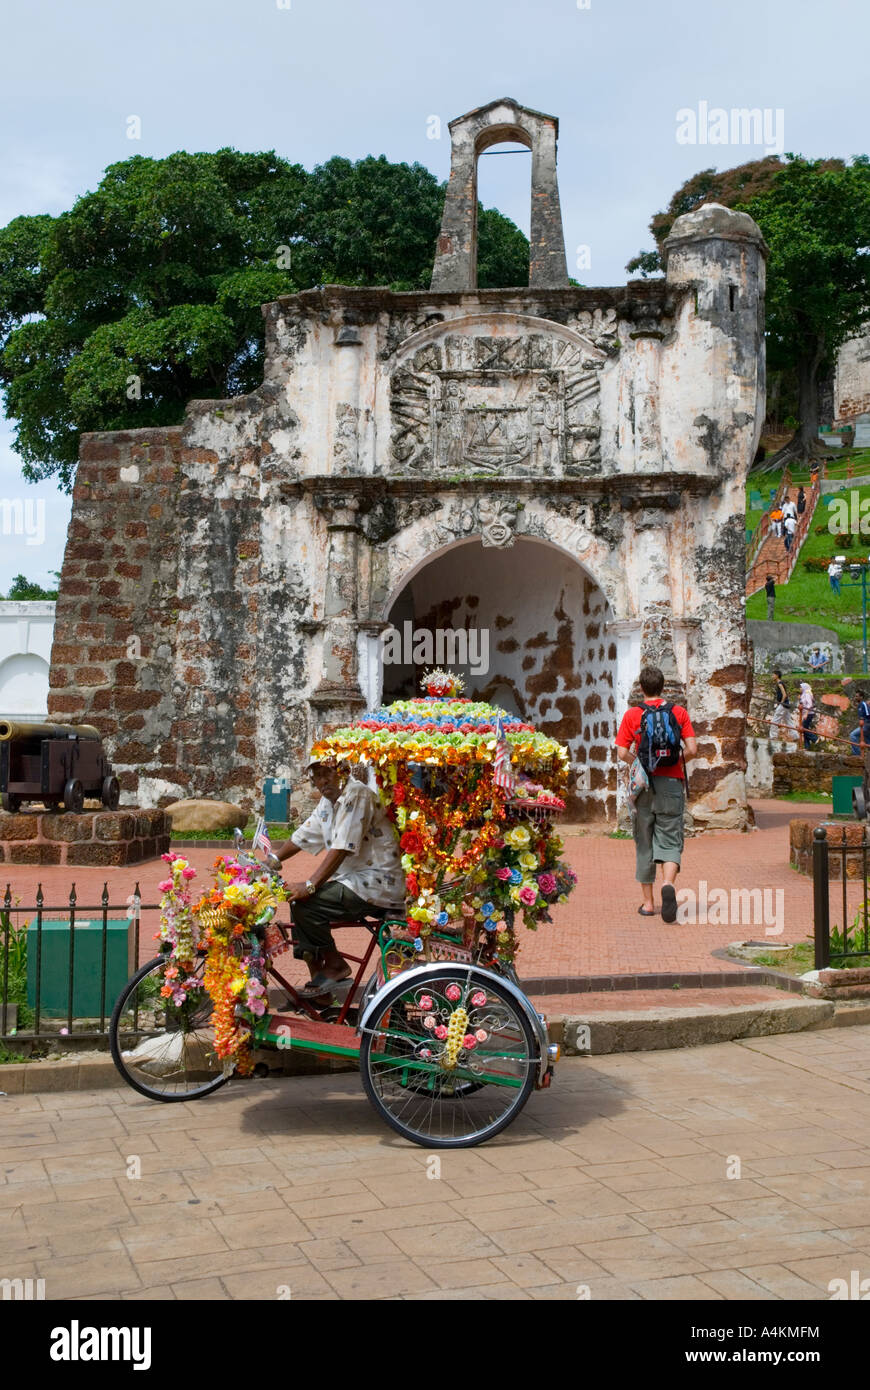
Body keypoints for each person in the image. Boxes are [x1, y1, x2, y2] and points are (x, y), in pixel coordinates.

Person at [268, 758, 405, 1000]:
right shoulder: (328, 802)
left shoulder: (357, 795)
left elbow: (341, 848)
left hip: (377, 882)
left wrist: (309, 886)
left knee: (307, 903)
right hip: (355, 880)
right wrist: (271, 861)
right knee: (297, 901)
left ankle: (335, 966)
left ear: (342, 772)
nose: (322, 782)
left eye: (326, 774)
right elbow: (303, 835)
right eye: (317, 777)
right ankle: (319, 985)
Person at [614, 665, 697, 923]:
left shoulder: (632, 715)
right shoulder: (679, 712)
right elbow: (692, 749)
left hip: (644, 785)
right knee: (670, 837)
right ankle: (668, 884)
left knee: (644, 841)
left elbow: (621, 752)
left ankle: (649, 904)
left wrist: (638, 763)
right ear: (663, 687)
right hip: (672, 782)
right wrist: (674, 761)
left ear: (641, 688)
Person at [770, 668, 793, 734]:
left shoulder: (780, 683)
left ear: (777, 675)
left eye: (773, 675)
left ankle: (773, 736)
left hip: (783, 705)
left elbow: (784, 694)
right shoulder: (780, 683)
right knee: (789, 721)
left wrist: (781, 703)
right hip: (786, 705)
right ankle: (796, 736)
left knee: (775, 720)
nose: (772, 676)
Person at [799, 681, 818, 750]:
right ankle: (807, 747)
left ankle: (815, 738)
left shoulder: (807, 693)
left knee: (803, 728)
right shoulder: (804, 694)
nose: (800, 689)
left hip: (809, 713)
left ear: (804, 687)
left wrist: (806, 713)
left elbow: (809, 704)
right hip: (807, 714)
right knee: (804, 728)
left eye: (801, 687)